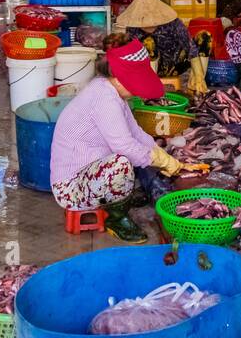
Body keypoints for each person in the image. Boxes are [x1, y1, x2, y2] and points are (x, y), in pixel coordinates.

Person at [49, 38, 185, 242]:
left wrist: (163, 156)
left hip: (90, 172)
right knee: (122, 163)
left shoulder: (110, 91)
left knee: (134, 156)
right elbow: (125, 146)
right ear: (119, 79)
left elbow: (136, 133)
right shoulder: (104, 99)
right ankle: (116, 217)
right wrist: (161, 161)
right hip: (70, 187)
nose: (136, 91)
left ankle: (117, 199)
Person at [115, 0, 206, 94]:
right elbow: (131, 55)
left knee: (205, 36)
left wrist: (198, 75)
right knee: (148, 42)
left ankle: (197, 84)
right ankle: (150, 86)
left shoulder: (173, 23)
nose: (148, 24)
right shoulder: (133, 28)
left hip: (175, 63)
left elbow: (191, 48)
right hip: (147, 69)